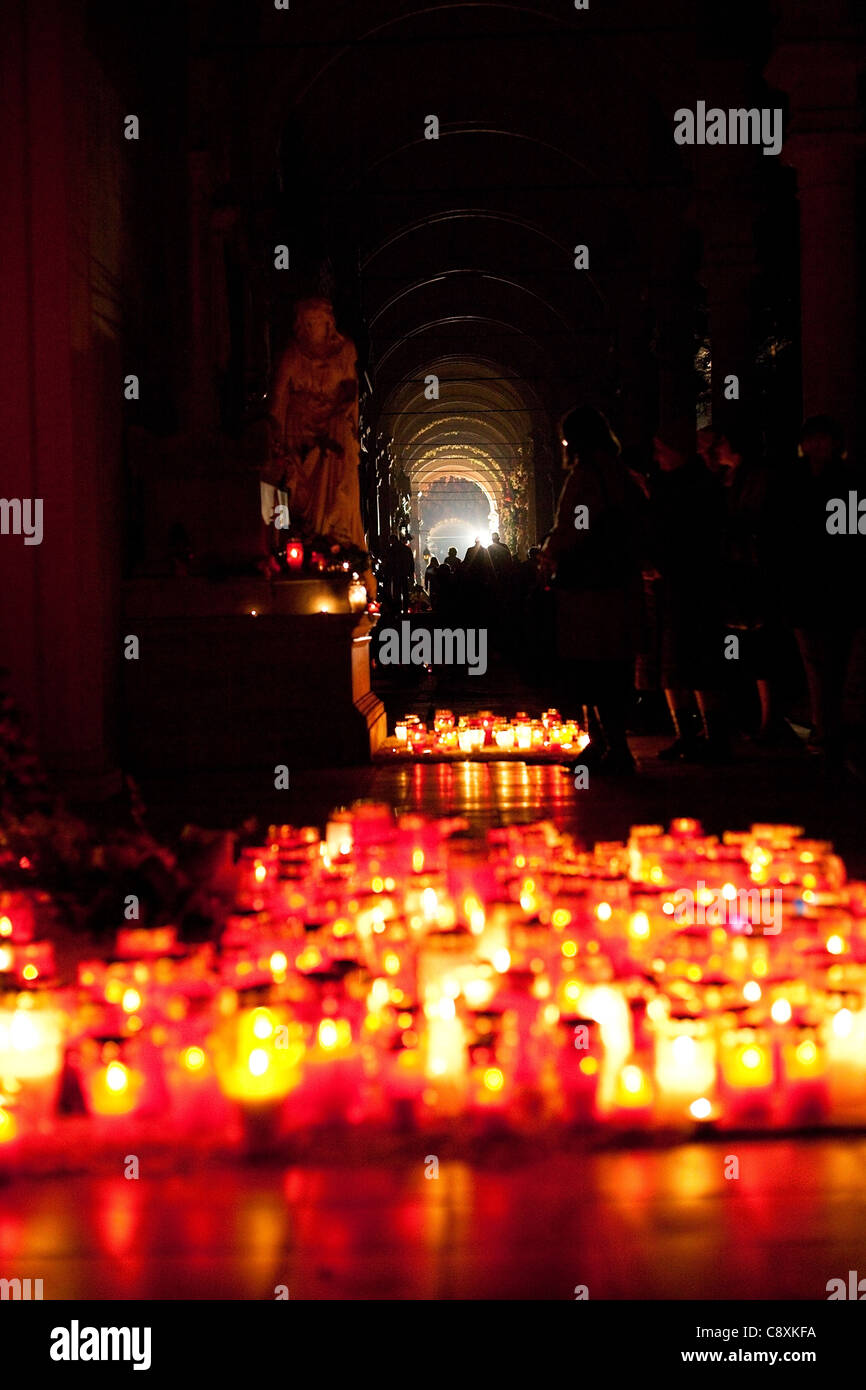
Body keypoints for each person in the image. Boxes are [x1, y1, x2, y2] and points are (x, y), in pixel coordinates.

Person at [540, 405, 648, 775]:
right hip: (619, 582)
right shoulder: (621, 473)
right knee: (613, 666)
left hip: (590, 587)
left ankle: (608, 745)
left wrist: (550, 552)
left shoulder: (587, 475)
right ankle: (608, 744)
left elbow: (575, 525)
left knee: (591, 666)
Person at [768, 415, 866, 767]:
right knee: (815, 661)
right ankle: (827, 727)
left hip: (836, 584)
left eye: (824, 441)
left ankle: (831, 727)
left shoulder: (848, 483)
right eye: (813, 440)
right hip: (804, 584)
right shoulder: (793, 480)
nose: (817, 447)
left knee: (834, 662)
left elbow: (852, 535)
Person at [649, 423, 729, 762]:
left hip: (694, 588)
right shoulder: (673, 484)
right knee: (673, 667)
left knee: (698, 665)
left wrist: (662, 563)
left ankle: (712, 736)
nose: (658, 458)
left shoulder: (697, 487)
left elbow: (694, 539)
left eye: (662, 451)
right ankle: (688, 734)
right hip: (675, 588)